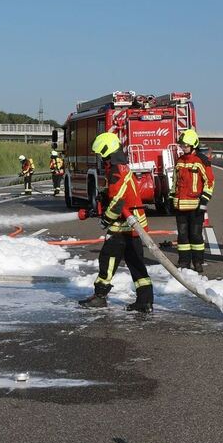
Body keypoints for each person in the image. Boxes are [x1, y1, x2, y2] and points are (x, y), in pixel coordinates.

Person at [81, 132, 153, 312]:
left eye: (100, 154)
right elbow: (120, 194)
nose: (99, 157)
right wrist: (105, 195)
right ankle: (145, 302)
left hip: (122, 225)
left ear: (107, 151)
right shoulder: (121, 167)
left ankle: (100, 297)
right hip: (133, 224)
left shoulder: (116, 170)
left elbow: (118, 201)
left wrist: (105, 219)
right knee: (136, 264)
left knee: (108, 259)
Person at [169, 128, 213, 272]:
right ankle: (184, 262)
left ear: (193, 145)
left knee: (195, 235)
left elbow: (209, 182)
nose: (183, 148)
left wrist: (204, 201)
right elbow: (175, 181)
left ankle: (198, 262)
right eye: (182, 145)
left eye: (186, 145)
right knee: (182, 236)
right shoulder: (180, 161)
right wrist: (171, 198)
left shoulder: (201, 161)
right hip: (180, 205)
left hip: (195, 206)